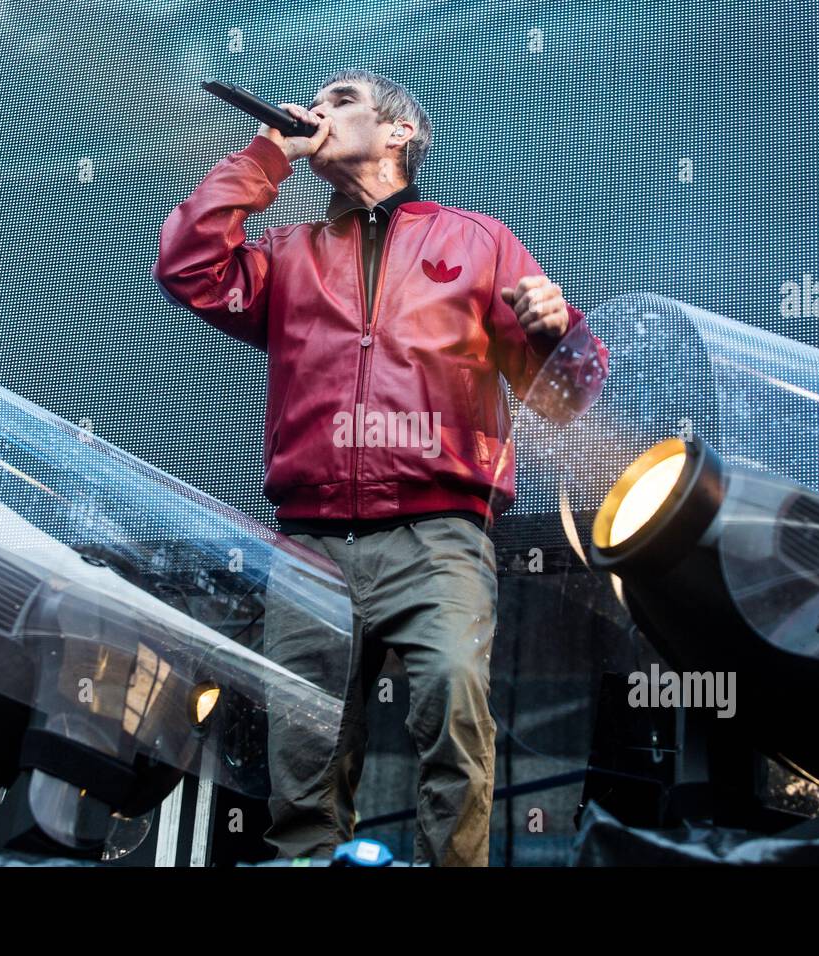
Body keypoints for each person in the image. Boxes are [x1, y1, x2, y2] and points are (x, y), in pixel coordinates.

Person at [154, 69, 608, 865]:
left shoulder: (477, 241)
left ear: (398, 133)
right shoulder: (289, 253)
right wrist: (267, 155)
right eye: (314, 104)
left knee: (452, 711)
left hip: (437, 532)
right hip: (311, 542)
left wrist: (556, 326)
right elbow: (189, 267)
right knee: (303, 751)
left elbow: (565, 396)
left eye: (340, 101)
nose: (316, 111)